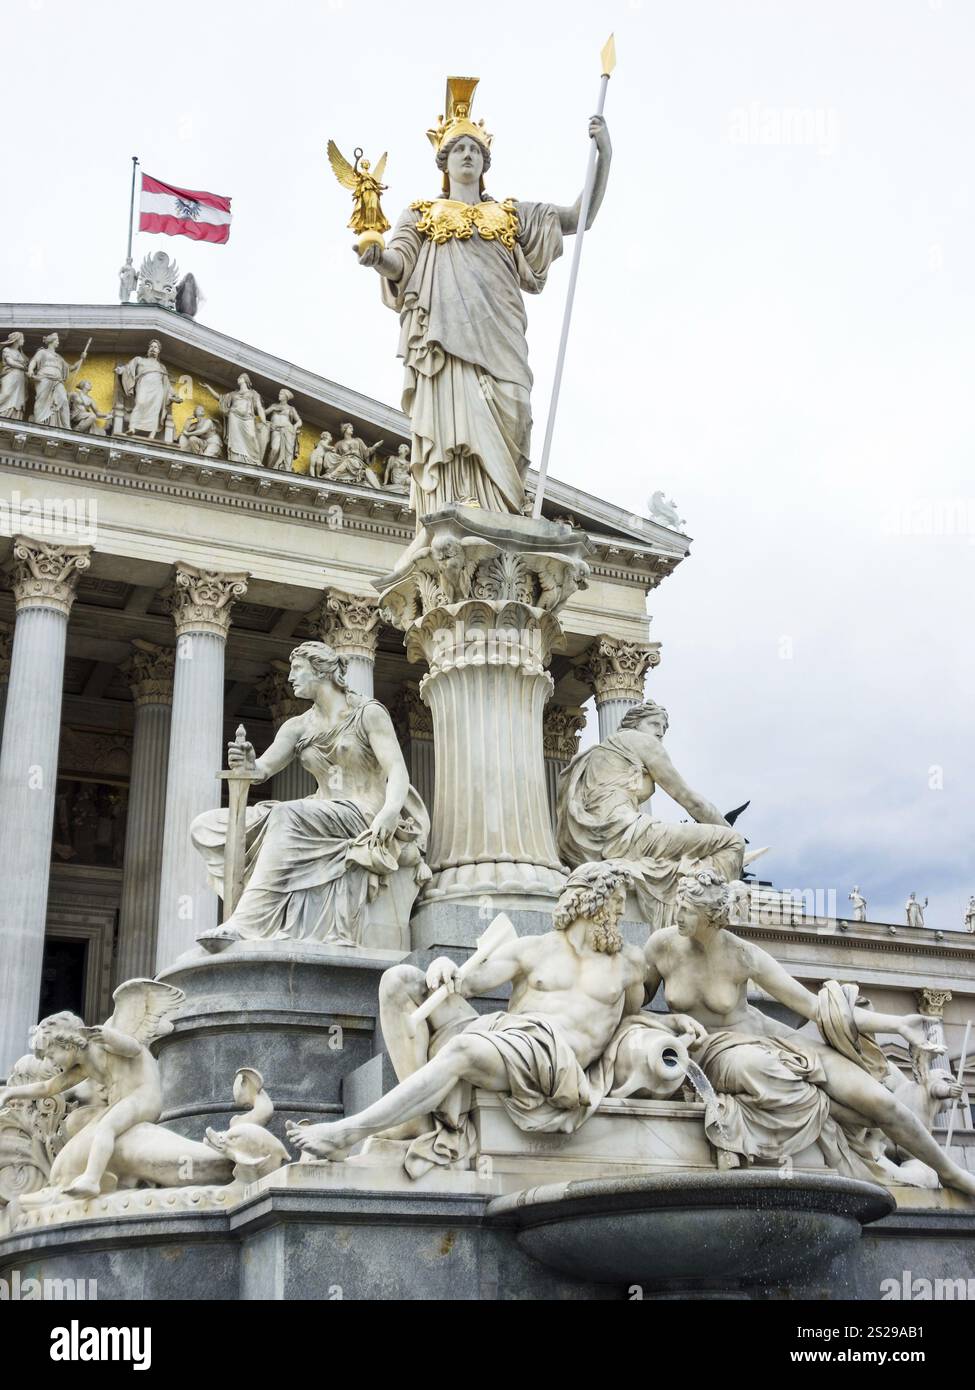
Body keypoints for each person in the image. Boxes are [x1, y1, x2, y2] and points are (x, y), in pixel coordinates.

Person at [286, 861, 666, 1168]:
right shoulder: (533, 949)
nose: (620, 911)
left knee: (465, 1049)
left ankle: (346, 1133)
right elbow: (468, 983)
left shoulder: (630, 964)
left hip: (553, 1063)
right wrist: (443, 965)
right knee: (400, 981)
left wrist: (672, 1027)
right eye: (615, 901)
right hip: (510, 1036)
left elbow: (630, 1021)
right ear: (588, 902)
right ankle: (418, 1118)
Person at [357, 76, 611, 533]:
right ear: (445, 162)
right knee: (455, 426)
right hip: (447, 343)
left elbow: (580, 216)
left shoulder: (512, 215)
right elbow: (400, 262)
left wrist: (604, 154)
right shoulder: (421, 214)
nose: (468, 155)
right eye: (459, 149)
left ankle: (504, 512)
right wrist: (379, 258)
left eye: (475, 149)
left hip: (502, 339)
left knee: (515, 409)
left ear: (486, 161)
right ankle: (460, 505)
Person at [643, 867, 975, 1196]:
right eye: (679, 905)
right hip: (717, 1051)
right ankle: (842, 1123)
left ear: (710, 917)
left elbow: (815, 1007)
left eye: (686, 909)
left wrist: (897, 1024)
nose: (677, 914)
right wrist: (670, 1022)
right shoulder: (662, 946)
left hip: (770, 1036)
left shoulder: (743, 955)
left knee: (881, 1101)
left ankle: (952, 1173)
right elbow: (631, 1008)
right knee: (776, 1075)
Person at [192, 641, 429, 949]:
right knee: (206, 825)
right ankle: (266, 915)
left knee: (286, 815)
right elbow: (262, 769)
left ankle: (247, 921)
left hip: (363, 813)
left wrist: (389, 812)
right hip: (321, 811)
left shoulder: (367, 714)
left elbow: (397, 769)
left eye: (298, 670)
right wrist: (248, 762)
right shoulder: (298, 726)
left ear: (322, 672)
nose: (291, 677)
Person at [556, 699, 745, 926]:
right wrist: (729, 832)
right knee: (732, 842)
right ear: (634, 724)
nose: (660, 732)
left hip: (592, 839)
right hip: (625, 832)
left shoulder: (600, 751)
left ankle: (680, 884)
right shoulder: (641, 741)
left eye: (664, 728)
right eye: (654, 723)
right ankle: (694, 910)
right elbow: (689, 799)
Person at [0, 331, 29, 420]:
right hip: (10, 375)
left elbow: (28, 364)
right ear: (16, 340)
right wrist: (23, 367)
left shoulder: (21, 354)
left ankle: (14, 417)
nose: (23, 341)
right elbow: (10, 362)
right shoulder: (7, 350)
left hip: (20, 379)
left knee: (19, 399)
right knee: (6, 393)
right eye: (22, 339)